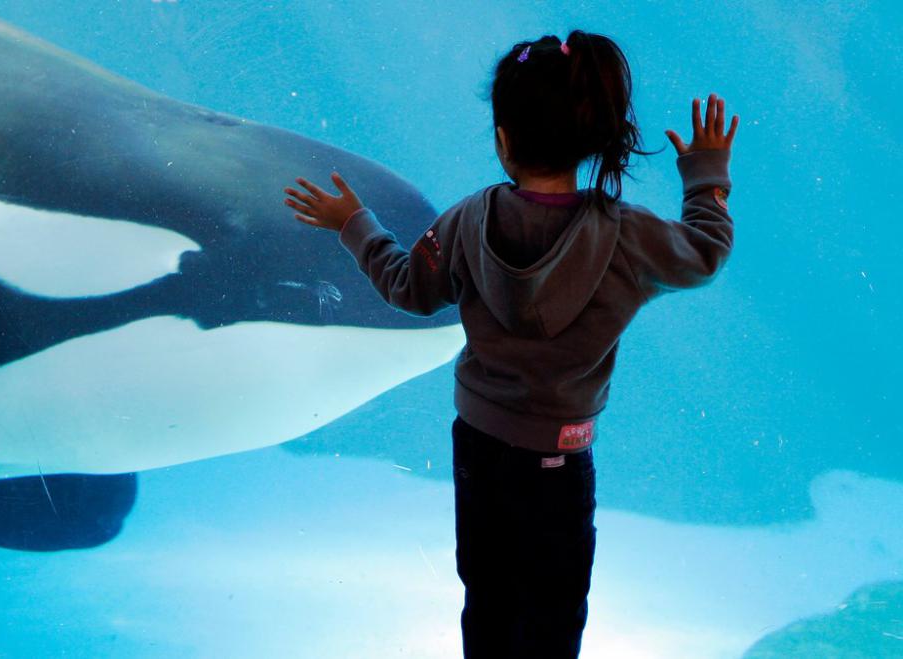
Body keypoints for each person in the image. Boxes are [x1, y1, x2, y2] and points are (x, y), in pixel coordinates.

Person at [283, 29, 738, 659]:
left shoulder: (468, 221)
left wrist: (354, 225)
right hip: (561, 458)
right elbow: (707, 254)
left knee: (489, 601)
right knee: (554, 615)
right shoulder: (628, 237)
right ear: (592, 136)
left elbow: (407, 288)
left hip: (481, 451)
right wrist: (705, 178)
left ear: (503, 139)